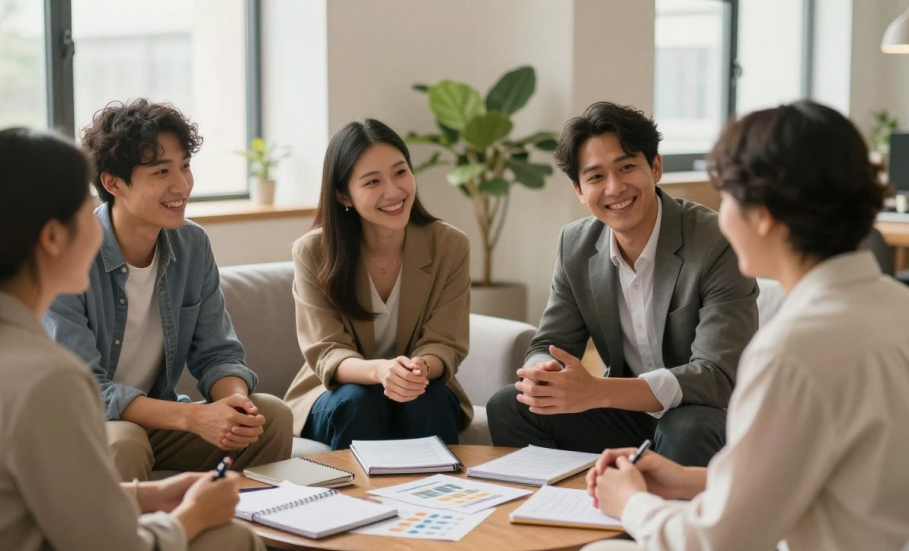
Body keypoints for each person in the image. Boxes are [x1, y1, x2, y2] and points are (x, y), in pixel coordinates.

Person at [566, 100, 909, 551]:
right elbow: (837, 481)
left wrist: (630, 502)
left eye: (728, 199)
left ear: (762, 214)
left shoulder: (792, 351)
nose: (720, 219)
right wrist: (688, 480)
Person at [0, 128, 275, 551]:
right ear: (52, 237)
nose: (98, 223)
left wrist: (153, 496)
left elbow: (38, 498)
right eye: (86, 211)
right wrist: (195, 516)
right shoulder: (48, 378)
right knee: (232, 542)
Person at [487, 101, 757, 466]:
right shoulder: (575, 245)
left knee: (684, 427)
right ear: (580, 190)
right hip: (627, 412)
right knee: (509, 406)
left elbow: (714, 376)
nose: (614, 188)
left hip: (707, 414)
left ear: (655, 167)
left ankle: (656, 522)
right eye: (596, 177)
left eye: (627, 167)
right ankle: (563, 513)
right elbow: (550, 342)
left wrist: (598, 391)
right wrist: (543, 372)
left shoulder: (715, 241)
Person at [45, 99, 292, 481]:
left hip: (158, 420)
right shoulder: (68, 255)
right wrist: (194, 417)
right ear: (113, 183)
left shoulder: (192, 245)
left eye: (185, 166)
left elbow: (217, 353)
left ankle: (259, 535)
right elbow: (88, 391)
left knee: (271, 415)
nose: (182, 185)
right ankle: (141, 542)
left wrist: (235, 405)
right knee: (125, 441)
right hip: (84, 426)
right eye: (161, 171)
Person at [286, 118, 472, 452]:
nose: (393, 191)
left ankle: (443, 501)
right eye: (372, 181)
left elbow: (445, 342)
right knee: (360, 402)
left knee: (429, 398)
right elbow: (327, 351)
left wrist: (416, 370)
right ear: (343, 194)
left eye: (400, 172)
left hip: (419, 383)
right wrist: (380, 372)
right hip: (338, 390)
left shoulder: (450, 245)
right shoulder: (313, 252)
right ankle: (352, 504)